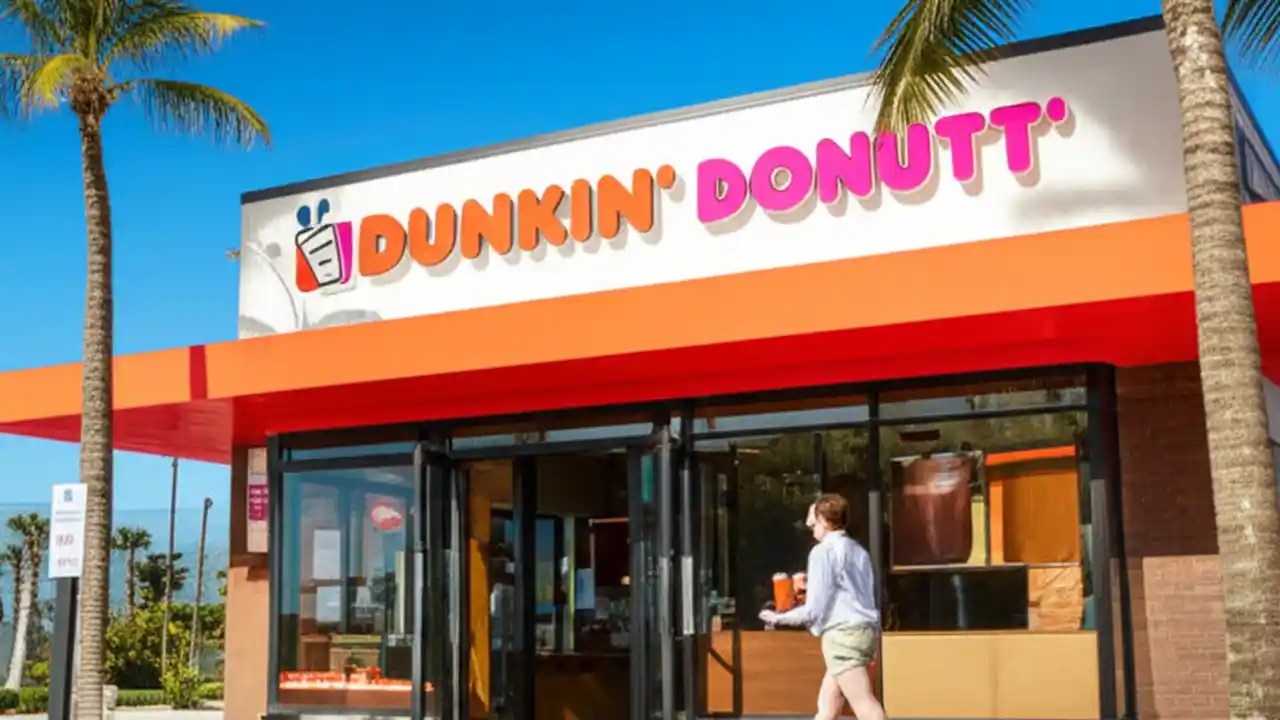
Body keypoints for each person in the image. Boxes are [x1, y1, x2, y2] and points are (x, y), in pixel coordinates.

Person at [759, 494, 887, 720]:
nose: (811, 528)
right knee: (827, 707)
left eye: (814, 522)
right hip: (864, 631)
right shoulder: (858, 551)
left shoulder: (823, 552)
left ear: (824, 521)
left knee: (864, 702)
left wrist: (777, 618)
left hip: (842, 635)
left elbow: (814, 610)